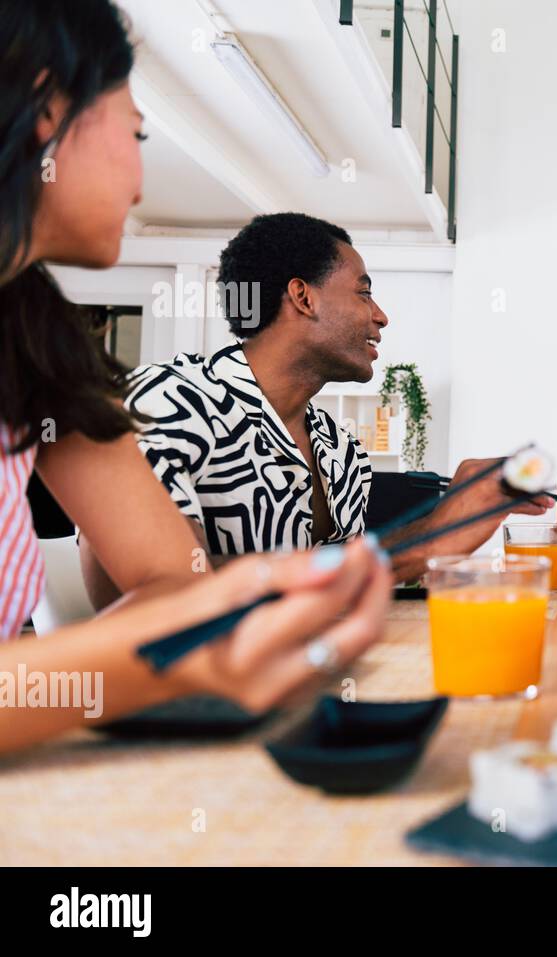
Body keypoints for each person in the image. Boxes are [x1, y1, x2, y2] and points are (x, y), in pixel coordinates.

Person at [0, 0, 509, 753]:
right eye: (137, 132)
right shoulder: (168, 397)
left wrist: (242, 616)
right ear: (48, 109)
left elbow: (179, 590)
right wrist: (176, 652)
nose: (142, 179)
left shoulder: (35, 340)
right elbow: (163, 617)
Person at [80, 212, 547, 608]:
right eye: (363, 292)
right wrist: (430, 539)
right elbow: (171, 593)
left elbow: (337, 591)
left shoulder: (340, 448)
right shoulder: (165, 401)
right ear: (303, 297)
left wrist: (452, 516)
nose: (380, 315)